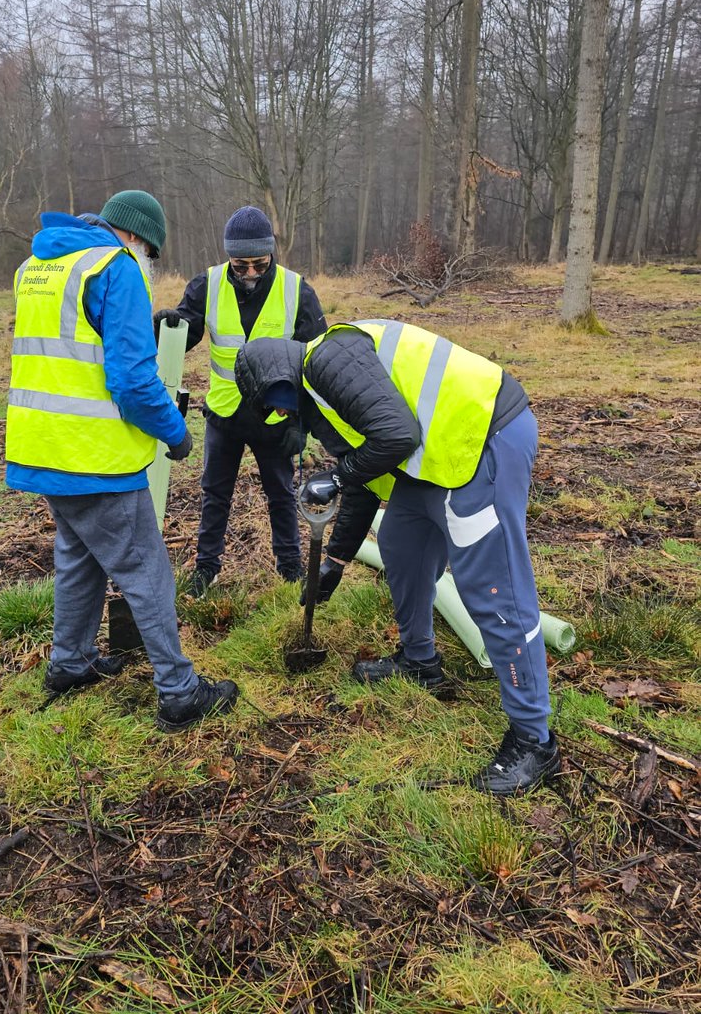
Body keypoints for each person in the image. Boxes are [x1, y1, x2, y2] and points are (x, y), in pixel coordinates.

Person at [234, 319, 561, 795]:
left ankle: (535, 738)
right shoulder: (324, 401)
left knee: (494, 590)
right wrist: (336, 562)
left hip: (480, 439)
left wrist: (337, 478)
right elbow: (369, 476)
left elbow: (395, 437)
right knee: (401, 546)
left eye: (276, 404)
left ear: (279, 377)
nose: (282, 414)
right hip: (434, 458)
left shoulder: (326, 360)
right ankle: (419, 661)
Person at [5, 190, 238, 732]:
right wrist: (175, 432)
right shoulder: (117, 267)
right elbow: (133, 380)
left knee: (78, 556)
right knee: (146, 569)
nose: (149, 265)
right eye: (150, 254)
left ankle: (71, 662)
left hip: (43, 448)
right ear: (138, 239)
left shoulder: (39, 265)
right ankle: (179, 692)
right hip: (95, 457)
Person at [154, 206, 326, 595]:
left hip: (276, 416)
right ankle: (205, 569)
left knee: (281, 494)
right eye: (240, 265)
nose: (250, 274)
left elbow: (317, 362)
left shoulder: (297, 291)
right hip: (224, 413)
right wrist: (168, 327)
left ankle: (290, 568)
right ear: (228, 257)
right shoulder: (207, 285)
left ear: (272, 255)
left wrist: (302, 423)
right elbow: (184, 335)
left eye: (259, 265)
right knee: (215, 493)